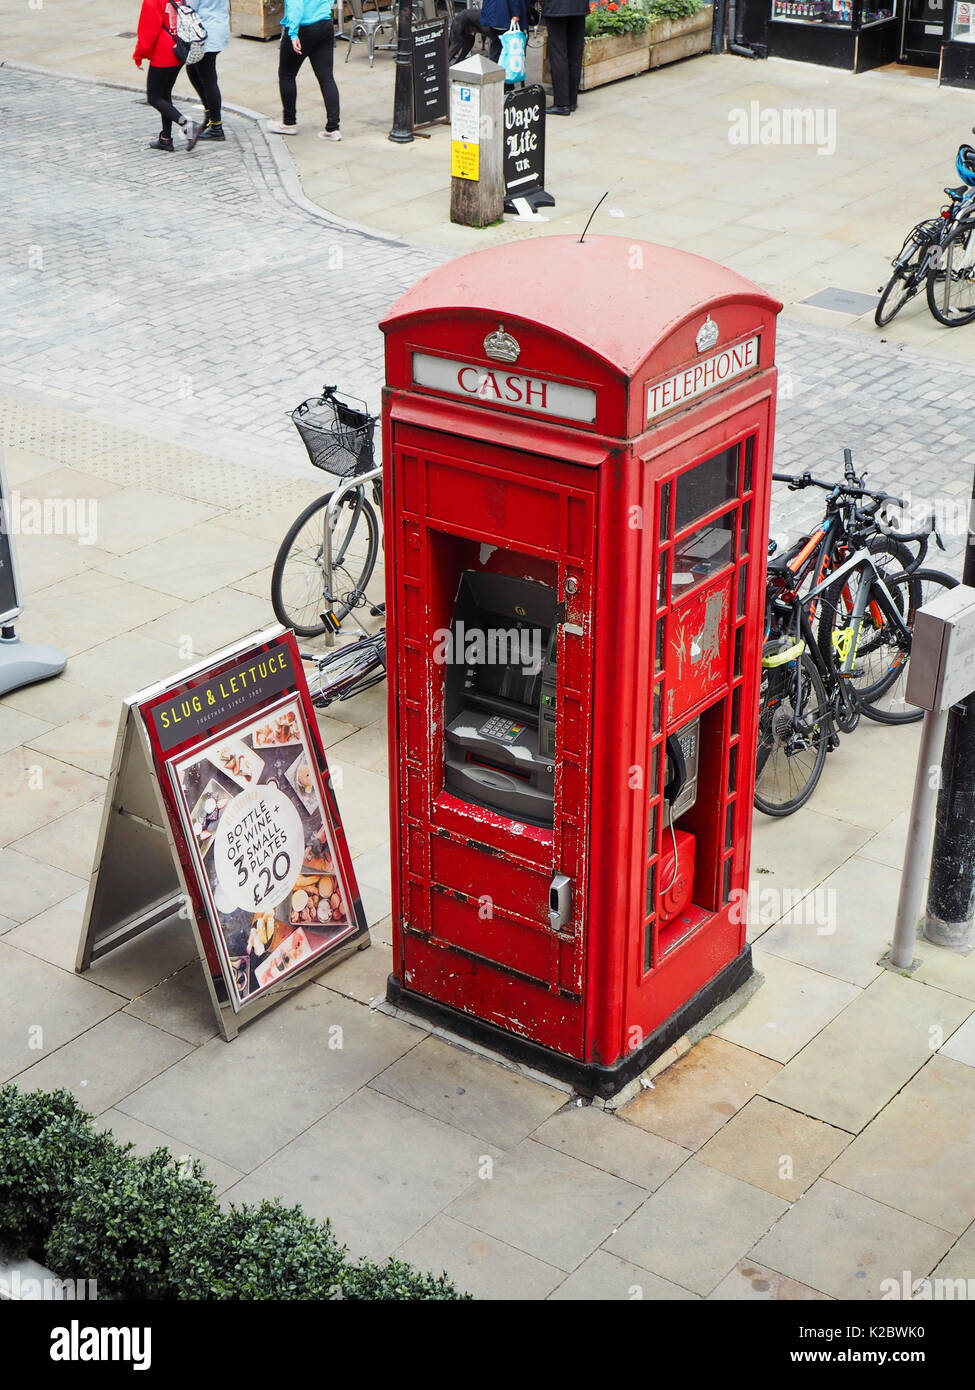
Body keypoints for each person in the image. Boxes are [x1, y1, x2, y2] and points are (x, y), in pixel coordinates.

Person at [133, 0, 202, 150]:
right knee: (164, 95)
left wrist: (139, 54)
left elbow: (148, 31)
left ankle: (188, 124)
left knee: (154, 97)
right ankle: (165, 138)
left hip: (163, 53)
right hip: (179, 50)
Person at [267, 0, 340, 141]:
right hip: (324, 24)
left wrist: (293, 34)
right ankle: (333, 128)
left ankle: (289, 123)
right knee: (326, 78)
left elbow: (296, 5)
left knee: (286, 75)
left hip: (303, 27)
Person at [186, 0, 230, 141]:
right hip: (215, 27)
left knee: (208, 79)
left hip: (206, 32)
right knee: (192, 69)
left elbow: (189, 7)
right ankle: (210, 116)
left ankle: (216, 126)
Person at [542, 0, 587, 116]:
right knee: (575, 54)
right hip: (579, 8)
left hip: (556, 7)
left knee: (558, 53)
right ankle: (571, 101)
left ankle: (562, 104)